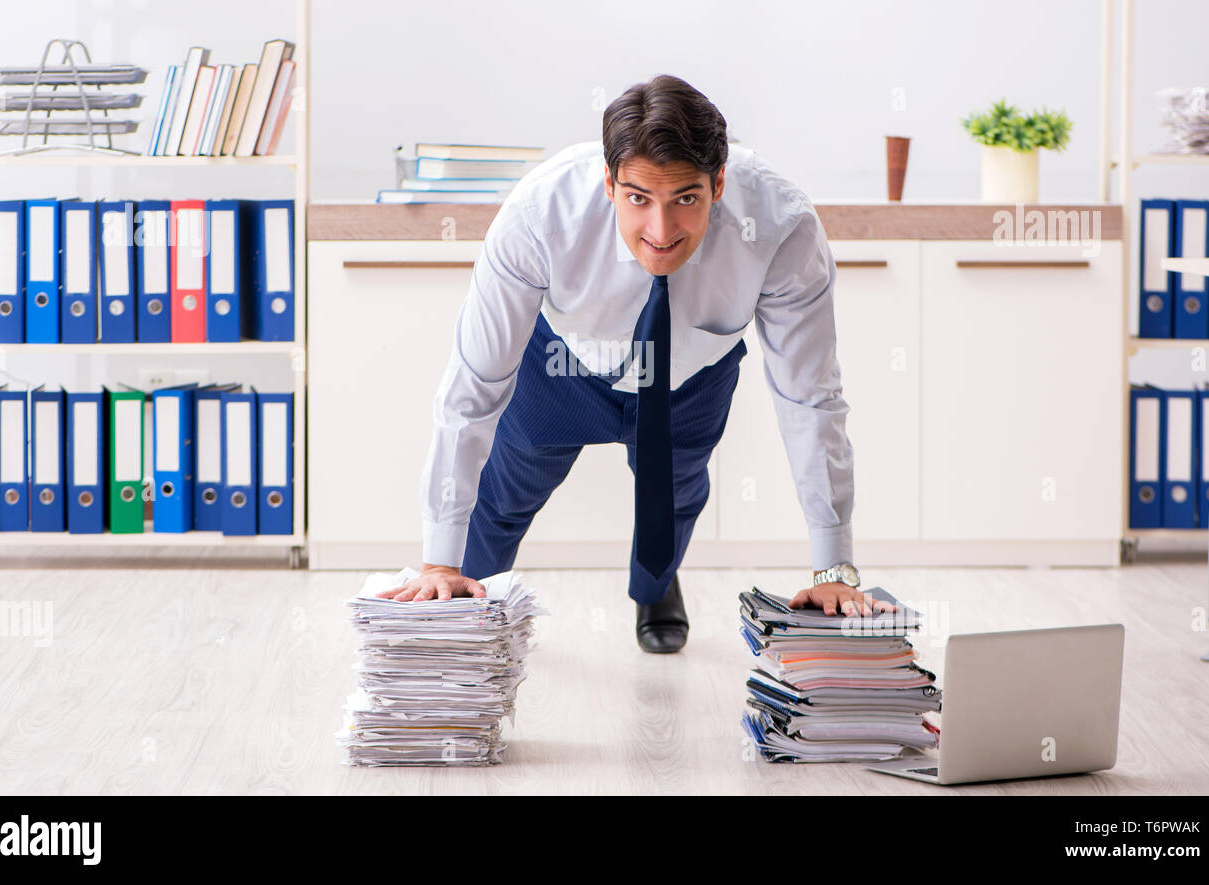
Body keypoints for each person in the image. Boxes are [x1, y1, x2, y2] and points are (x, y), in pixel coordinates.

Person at [380, 74, 897, 650]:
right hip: (562, 369)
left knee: (672, 501)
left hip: (691, 379)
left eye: (686, 199)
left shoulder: (782, 227)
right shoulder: (539, 215)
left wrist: (833, 567)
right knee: (503, 495)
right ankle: (466, 616)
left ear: (719, 182)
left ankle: (654, 586)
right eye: (638, 198)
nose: (661, 230)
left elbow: (810, 397)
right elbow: (472, 387)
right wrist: (438, 561)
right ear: (608, 182)